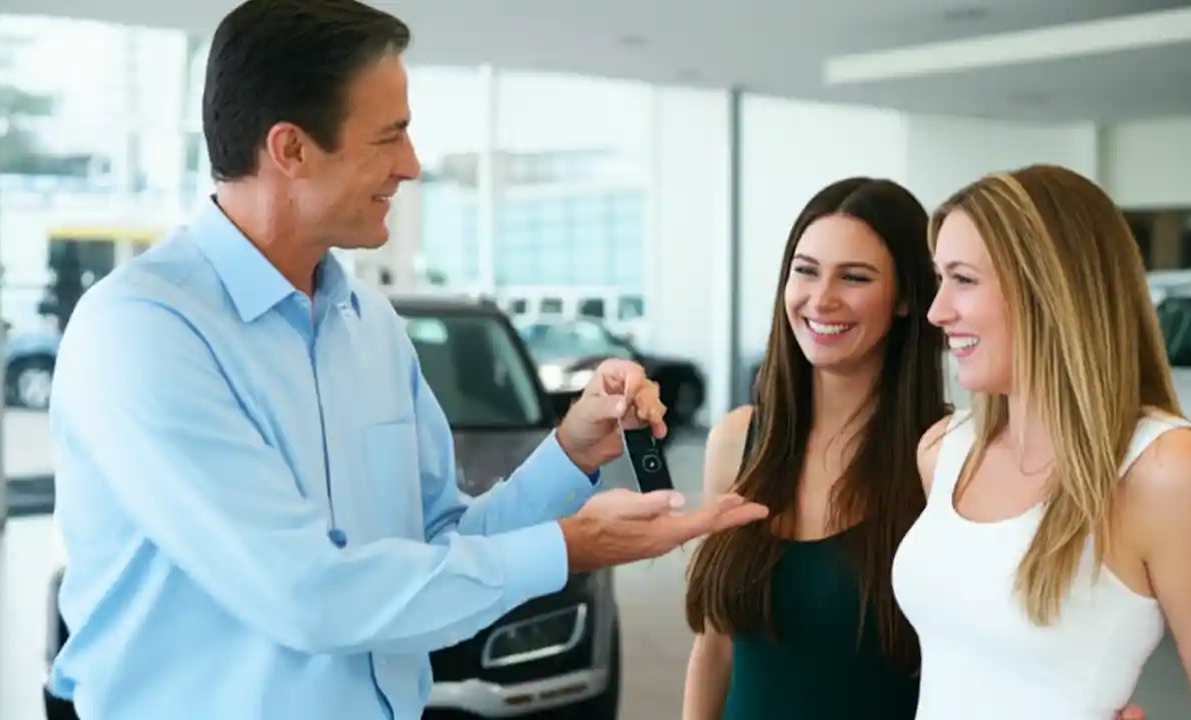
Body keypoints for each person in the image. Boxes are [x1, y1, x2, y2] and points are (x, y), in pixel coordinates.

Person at [45, 2, 767, 718]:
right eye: (389, 137)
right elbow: (308, 595)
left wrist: (572, 451)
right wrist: (569, 547)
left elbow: (442, 547)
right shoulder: (143, 332)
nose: (411, 166)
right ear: (291, 149)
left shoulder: (371, 327)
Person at [892, 164, 1191, 718]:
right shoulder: (945, 451)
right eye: (939, 278)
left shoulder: (1167, 471)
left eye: (963, 279)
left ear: (1049, 286)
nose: (937, 310)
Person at [681, 177, 947, 719]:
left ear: (904, 299)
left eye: (854, 277)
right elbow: (714, 648)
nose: (821, 299)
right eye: (805, 271)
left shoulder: (946, 456)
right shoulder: (737, 443)